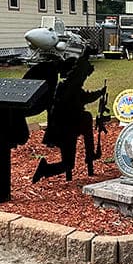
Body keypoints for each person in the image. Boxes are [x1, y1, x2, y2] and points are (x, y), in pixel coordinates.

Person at [32, 50, 105, 183]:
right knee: (68, 163)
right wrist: (84, 56)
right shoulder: (69, 88)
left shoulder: (66, 88)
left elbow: (84, 96)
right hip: (66, 129)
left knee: (68, 163)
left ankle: (89, 156)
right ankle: (45, 169)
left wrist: (100, 93)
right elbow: (81, 87)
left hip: (64, 128)